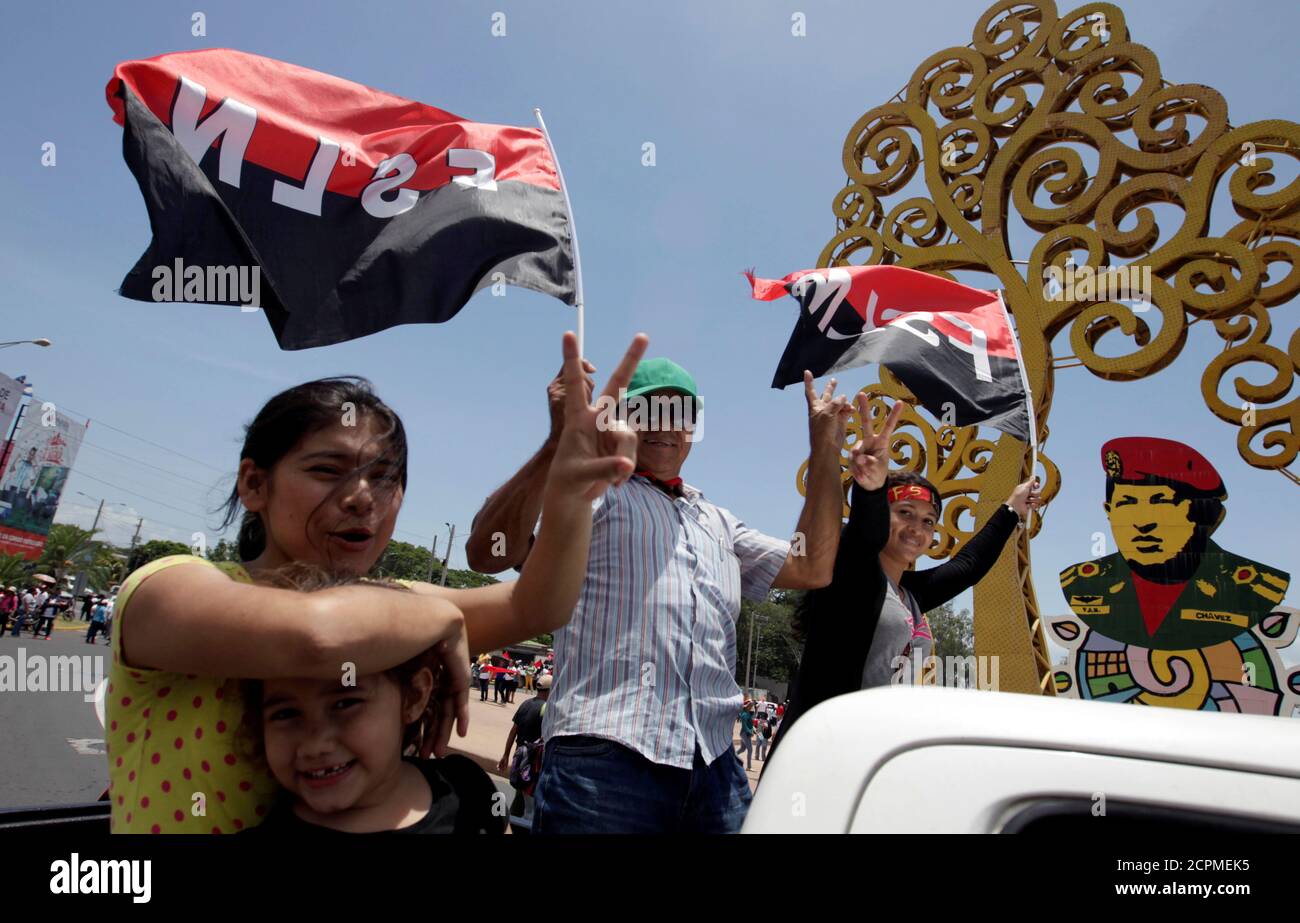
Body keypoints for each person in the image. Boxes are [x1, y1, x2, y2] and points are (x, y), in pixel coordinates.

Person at [103, 331, 648, 833]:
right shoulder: (166, 587)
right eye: (326, 469)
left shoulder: (393, 609)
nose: (363, 496)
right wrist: (439, 616)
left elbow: (538, 607)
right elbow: (314, 639)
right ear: (253, 483)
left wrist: (568, 487)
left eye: (385, 477)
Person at [467, 357, 853, 834]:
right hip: (606, 757)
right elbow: (489, 552)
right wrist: (558, 441)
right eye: (650, 411)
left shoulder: (716, 520)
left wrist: (824, 452)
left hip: (715, 766)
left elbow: (812, 565)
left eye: (681, 414)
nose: (667, 426)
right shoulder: (595, 493)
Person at [769, 393, 1039, 761]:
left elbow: (968, 568)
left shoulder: (907, 594)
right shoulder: (850, 573)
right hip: (820, 750)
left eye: (928, 521)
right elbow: (866, 534)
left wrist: (1012, 508)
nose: (917, 528)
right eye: (905, 513)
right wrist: (872, 489)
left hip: (871, 750)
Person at [242, 568, 504, 835]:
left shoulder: (468, 787)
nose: (315, 745)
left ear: (414, 696)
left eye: (345, 704)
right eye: (285, 714)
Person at [497, 672, 552, 821]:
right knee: (529, 806)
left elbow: (513, 731)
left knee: (521, 795)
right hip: (533, 762)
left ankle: (511, 823)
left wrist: (506, 754)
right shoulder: (546, 708)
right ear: (550, 690)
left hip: (519, 756)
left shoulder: (526, 703)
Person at [736, 702, 755, 771]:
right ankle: (749, 767)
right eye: (752, 706)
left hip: (745, 733)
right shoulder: (744, 714)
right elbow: (744, 726)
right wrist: (750, 732)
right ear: (748, 706)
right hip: (745, 734)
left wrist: (753, 730)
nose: (753, 708)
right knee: (750, 749)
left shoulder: (748, 714)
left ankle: (733, 757)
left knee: (742, 749)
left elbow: (750, 724)